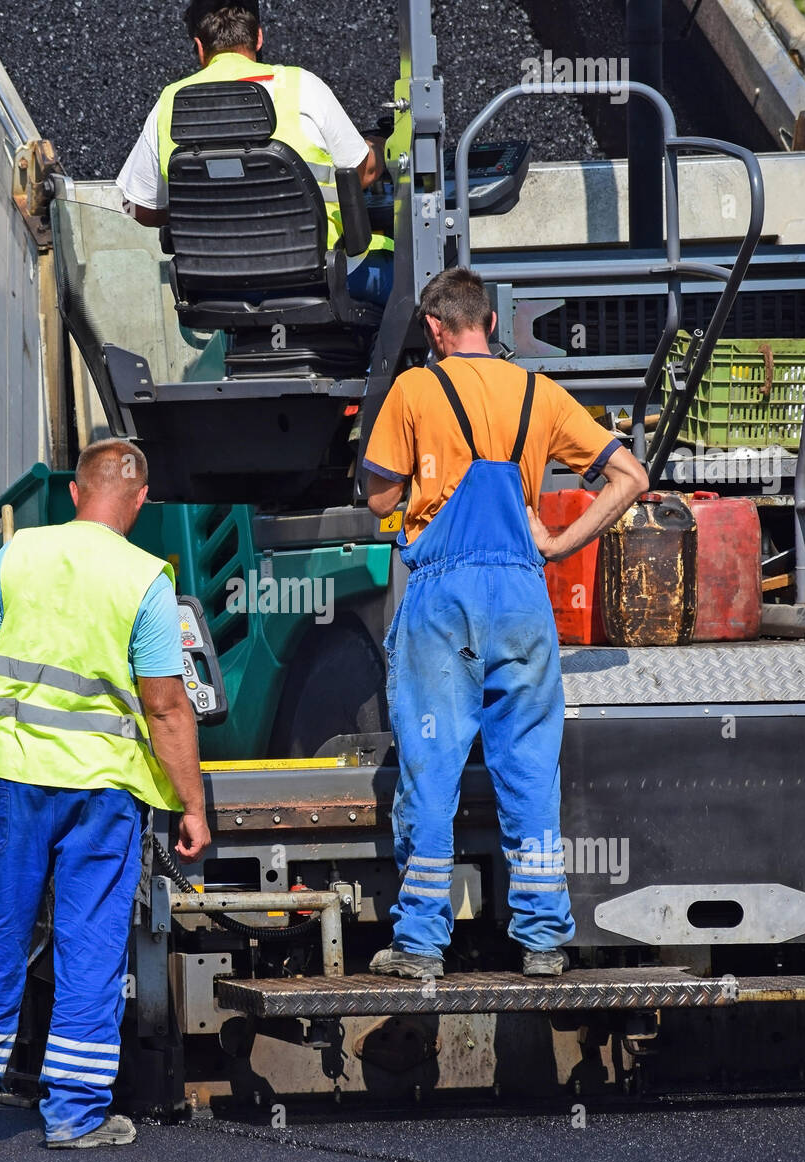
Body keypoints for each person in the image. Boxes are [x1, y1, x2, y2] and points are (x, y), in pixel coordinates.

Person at [360, 268, 648, 980]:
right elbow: (632, 478)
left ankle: (422, 944)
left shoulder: (415, 389)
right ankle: (545, 939)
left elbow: (379, 498)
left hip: (443, 595)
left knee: (432, 771)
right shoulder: (540, 394)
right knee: (528, 771)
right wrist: (555, 543)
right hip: (523, 597)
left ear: (434, 328)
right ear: (489, 322)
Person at [0, 440, 210, 1148]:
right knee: (91, 947)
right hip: (103, 794)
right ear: (139, 502)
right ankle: (75, 1115)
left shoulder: (17, 556)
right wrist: (191, 804)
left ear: (76, 494)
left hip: (15, 784)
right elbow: (168, 706)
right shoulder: (147, 579)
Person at [116, 0, 394, 305]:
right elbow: (364, 171)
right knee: (421, 281)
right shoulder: (301, 86)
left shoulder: (169, 103)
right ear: (258, 37)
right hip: (320, 277)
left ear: (199, 47)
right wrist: (380, 146)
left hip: (215, 285)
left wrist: (196, 206)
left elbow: (136, 207)